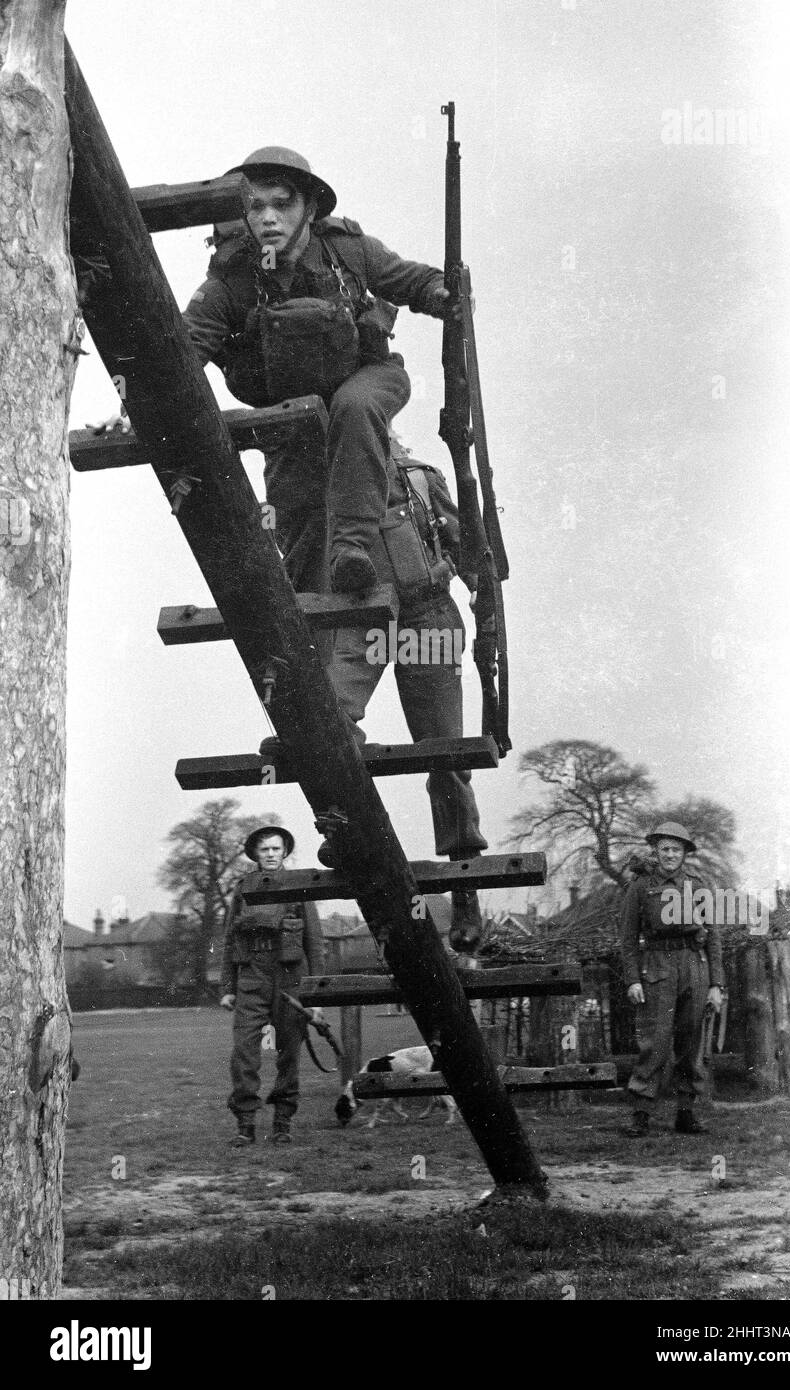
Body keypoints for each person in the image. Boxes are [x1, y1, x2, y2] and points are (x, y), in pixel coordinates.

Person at [182, 146, 457, 597]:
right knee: (299, 525)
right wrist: (139, 404)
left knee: (355, 405)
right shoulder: (230, 282)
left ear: (309, 209)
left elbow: (410, 279)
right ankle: (314, 621)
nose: (269, 217)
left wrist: (441, 293)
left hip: (367, 377)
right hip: (290, 417)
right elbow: (188, 345)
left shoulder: (347, 250)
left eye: (283, 203)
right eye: (255, 206)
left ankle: (352, 549)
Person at [323, 433, 488, 955]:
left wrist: (483, 595)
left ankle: (464, 888)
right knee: (329, 723)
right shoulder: (329, 477)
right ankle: (342, 829)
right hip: (361, 612)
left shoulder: (421, 477)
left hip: (427, 614)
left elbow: (470, 550)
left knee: (447, 757)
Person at [220, 823, 326, 1145]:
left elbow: (314, 940)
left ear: (284, 852)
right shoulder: (243, 888)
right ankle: (246, 1125)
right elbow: (228, 939)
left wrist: (317, 994)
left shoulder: (298, 886)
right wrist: (227, 987)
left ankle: (282, 1123)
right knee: (244, 1054)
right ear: (255, 853)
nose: (269, 854)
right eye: (264, 849)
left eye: (275, 849)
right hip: (252, 976)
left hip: (289, 978)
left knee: (289, 1053)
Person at [620, 821, 723, 1137]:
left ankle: (685, 1113)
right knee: (655, 1040)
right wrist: (632, 980)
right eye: (664, 848)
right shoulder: (640, 886)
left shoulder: (698, 885)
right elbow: (627, 937)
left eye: (675, 849)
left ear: (685, 854)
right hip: (657, 966)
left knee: (692, 1040)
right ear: (656, 851)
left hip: (694, 965)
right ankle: (640, 1114)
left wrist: (717, 984)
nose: (669, 854)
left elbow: (714, 936)